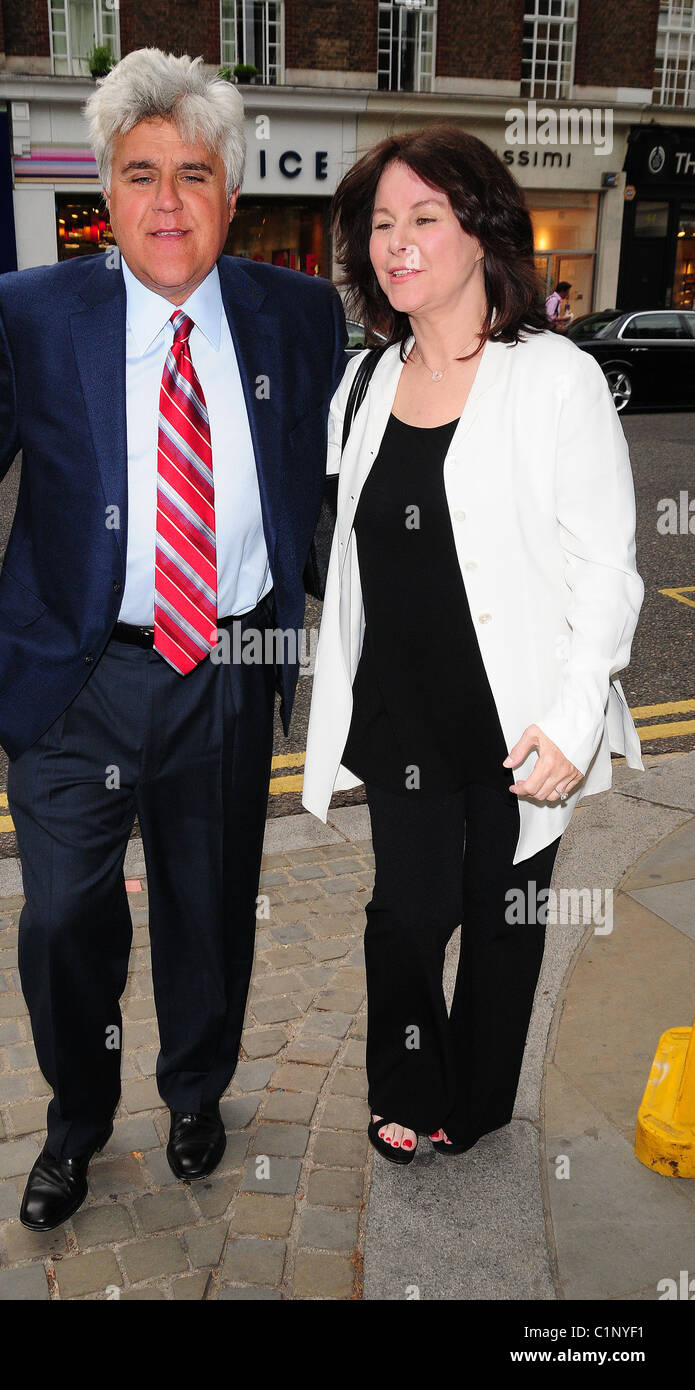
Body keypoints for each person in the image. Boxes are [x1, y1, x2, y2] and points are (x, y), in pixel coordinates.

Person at [0, 48, 346, 1229]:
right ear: (104, 191)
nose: (167, 203)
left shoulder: (299, 314)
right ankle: (76, 1119)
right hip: (75, 681)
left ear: (232, 194)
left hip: (223, 672)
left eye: (193, 175)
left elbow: (341, 477)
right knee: (64, 917)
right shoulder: (31, 311)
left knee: (209, 914)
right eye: (141, 173)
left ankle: (196, 1093)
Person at [302, 126, 643, 1164]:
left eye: (423, 218)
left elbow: (607, 569)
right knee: (405, 917)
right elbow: (346, 547)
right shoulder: (361, 386)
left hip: (519, 718)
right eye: (380, 225)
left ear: (479, 228)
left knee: (504, 919)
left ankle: (478, 1096)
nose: (395, 243)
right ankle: (404, 1080)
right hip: (401, 715)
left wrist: (576, 714)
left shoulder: (552, 379)